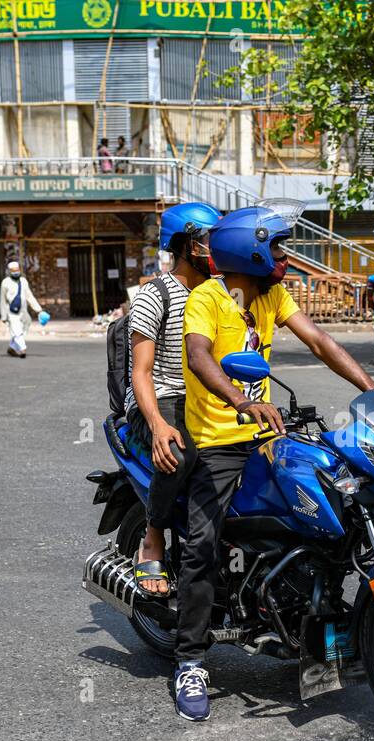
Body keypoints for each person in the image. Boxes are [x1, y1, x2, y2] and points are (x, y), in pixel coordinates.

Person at [175, 207, 374, 721]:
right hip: (217, 440)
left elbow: (321, 342)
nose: (283, 256)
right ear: (248, 251)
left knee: (330, 507)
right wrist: (241, 401)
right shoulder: (207, 298)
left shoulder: (272, 295)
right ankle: (190, 659)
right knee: (203, 545)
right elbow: (199, 357)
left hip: (268, 434)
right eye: (276, 248)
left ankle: (314, 616)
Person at [124, 202, 221, 597]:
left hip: (201, 397)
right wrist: (158, 425)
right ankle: (152, 536)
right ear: (184, 246)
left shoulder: (218, 294)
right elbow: (141, 372)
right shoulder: (155, 294)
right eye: (206, 242)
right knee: (180, 453)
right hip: (159, 397)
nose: (214, 249)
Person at [0, 259, 43, 358]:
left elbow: (29, 296)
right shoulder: (5, 282)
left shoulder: (23, 281)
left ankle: (12, 347)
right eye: (13, 270)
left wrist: (38, 309)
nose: (16, 272)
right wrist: (3, 315)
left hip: (23, 311)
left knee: (26, 325)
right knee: (16, 329)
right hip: (11, 311)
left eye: (17, 270)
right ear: (10, 271)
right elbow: (2, 300)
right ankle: (23, 349)